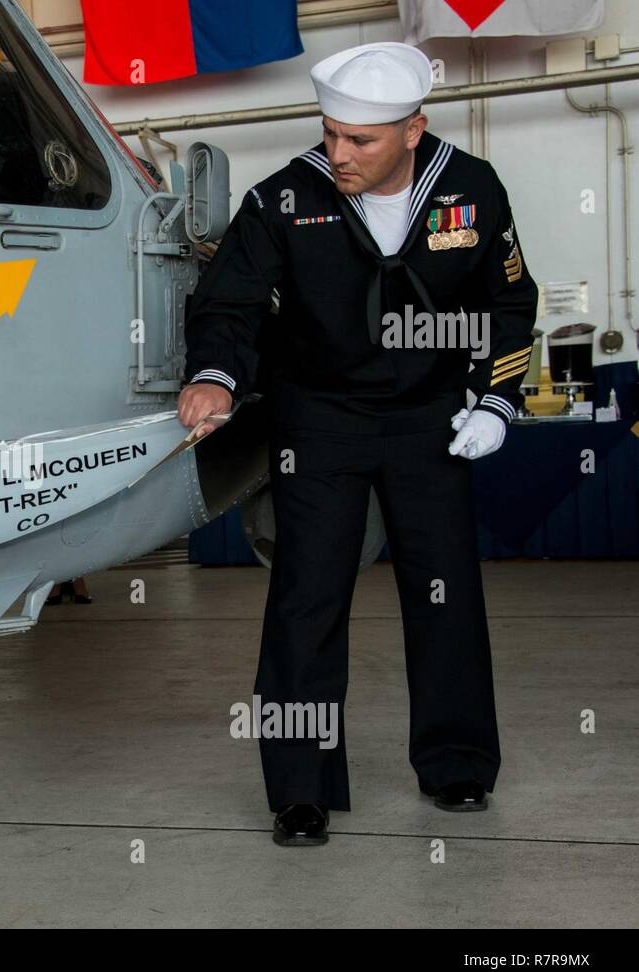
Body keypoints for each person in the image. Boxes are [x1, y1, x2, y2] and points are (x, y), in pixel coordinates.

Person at [177, 41, 539, 846]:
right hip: (321, 421)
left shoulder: (472, 192)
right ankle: (300, 788)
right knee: (306, 602)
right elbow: (227, 302)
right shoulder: (283, 199)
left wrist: (497, 401)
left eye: (360, 141)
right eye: (330, 133)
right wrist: (215, 376)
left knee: (445, 598)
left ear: (413, 129)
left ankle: (458, 767)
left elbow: (510, 302)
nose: (338, 154)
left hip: (430, 422)